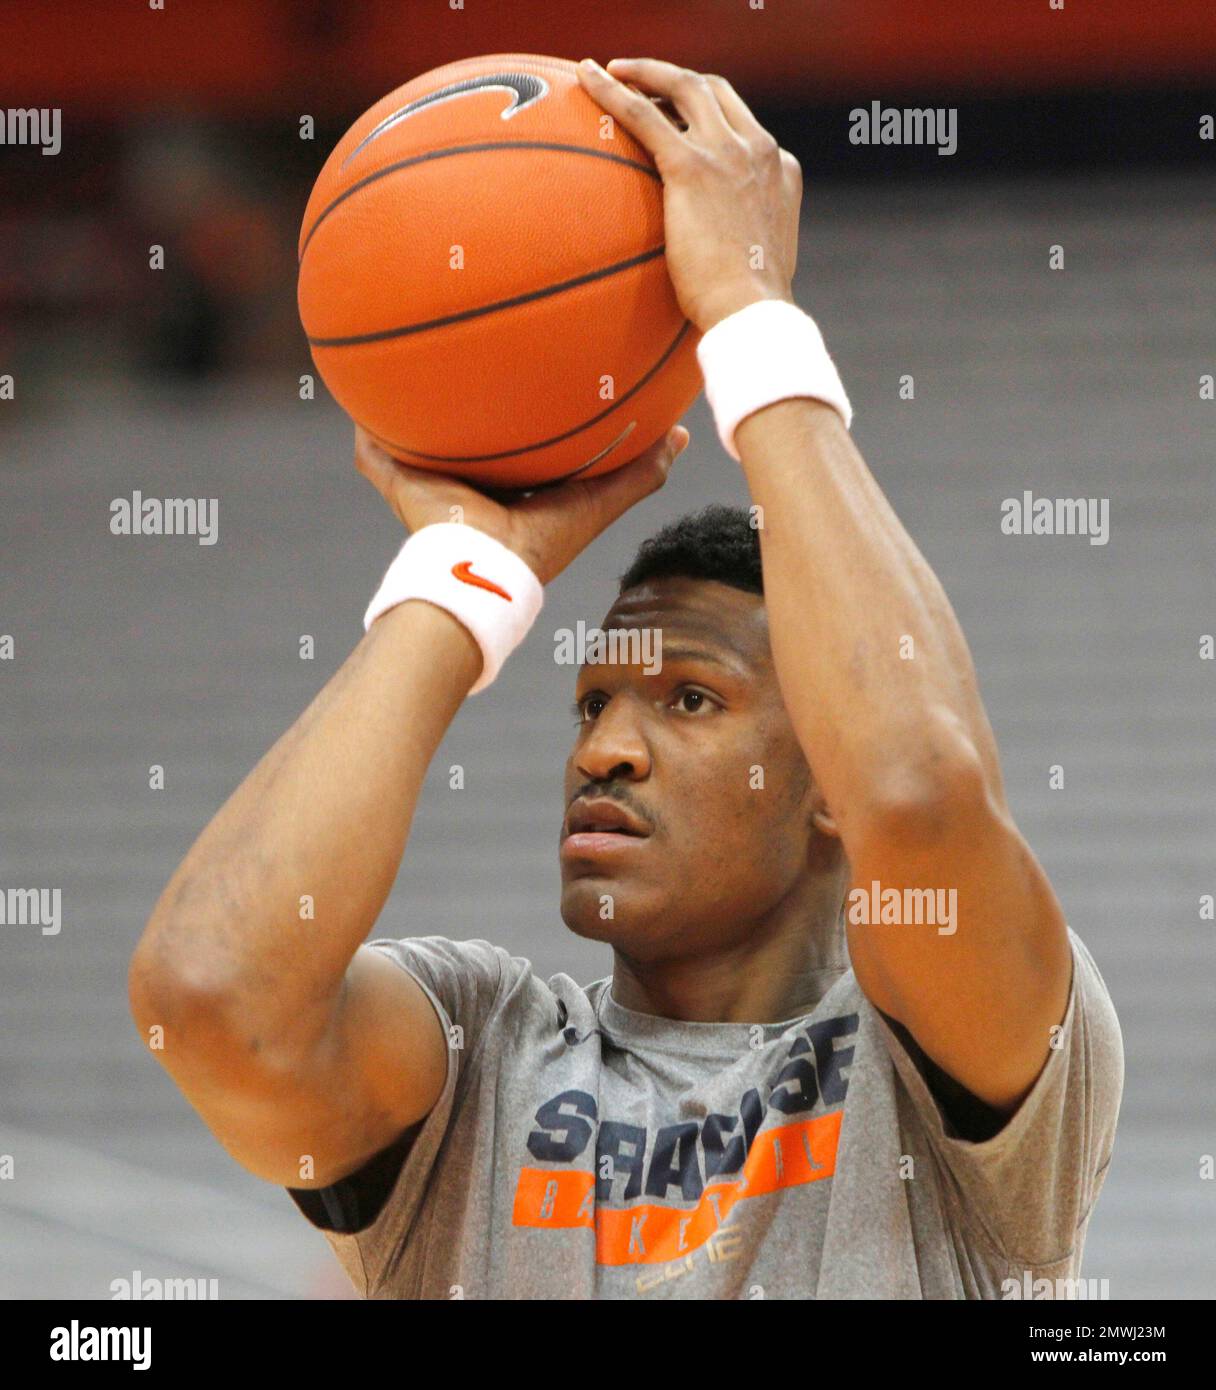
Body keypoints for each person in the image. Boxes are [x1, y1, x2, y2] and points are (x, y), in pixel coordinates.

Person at [128, 58, 1122, 1299]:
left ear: (826, 784)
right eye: (592, 700)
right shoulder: (478, 1051)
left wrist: (751, 316)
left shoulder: (943, 1068)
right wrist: (460, 580)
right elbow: (210, 994)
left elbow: (917, 786)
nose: (603, 749)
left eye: (688, 699)